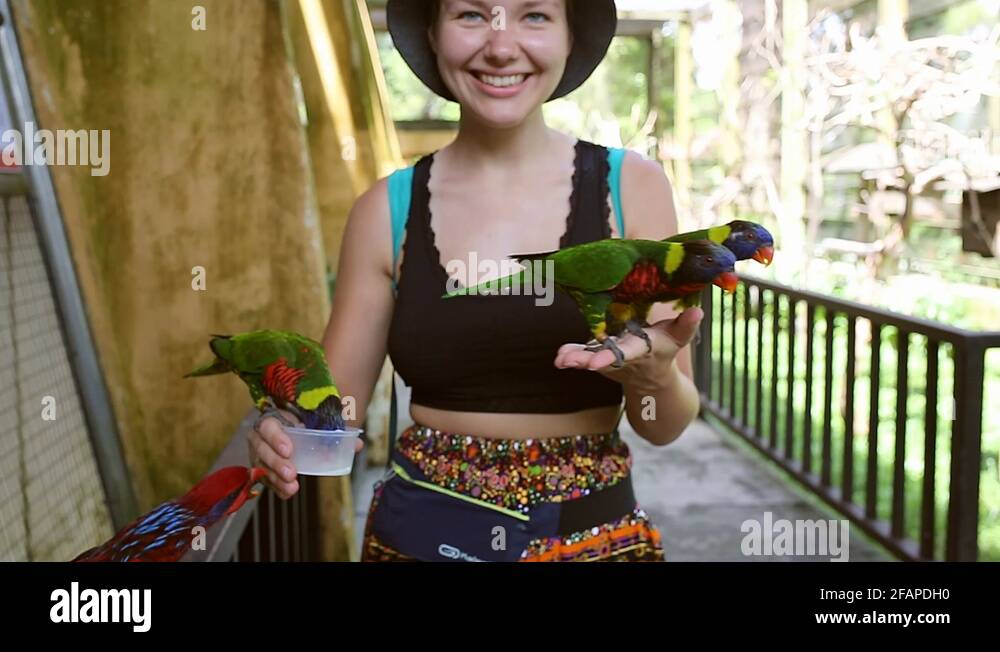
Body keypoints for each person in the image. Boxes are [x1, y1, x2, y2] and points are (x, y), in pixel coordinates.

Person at [248, 0, 703, 562]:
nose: (502, 45)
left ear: (569, 35)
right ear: (433, 35)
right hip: (420, 536)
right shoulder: (383, 210)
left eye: (534, 15)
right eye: (470, 14)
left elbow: (664, 427)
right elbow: (333, 409)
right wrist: (283, 428)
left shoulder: (631, 186)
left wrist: (654, 376)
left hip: (593, 538)